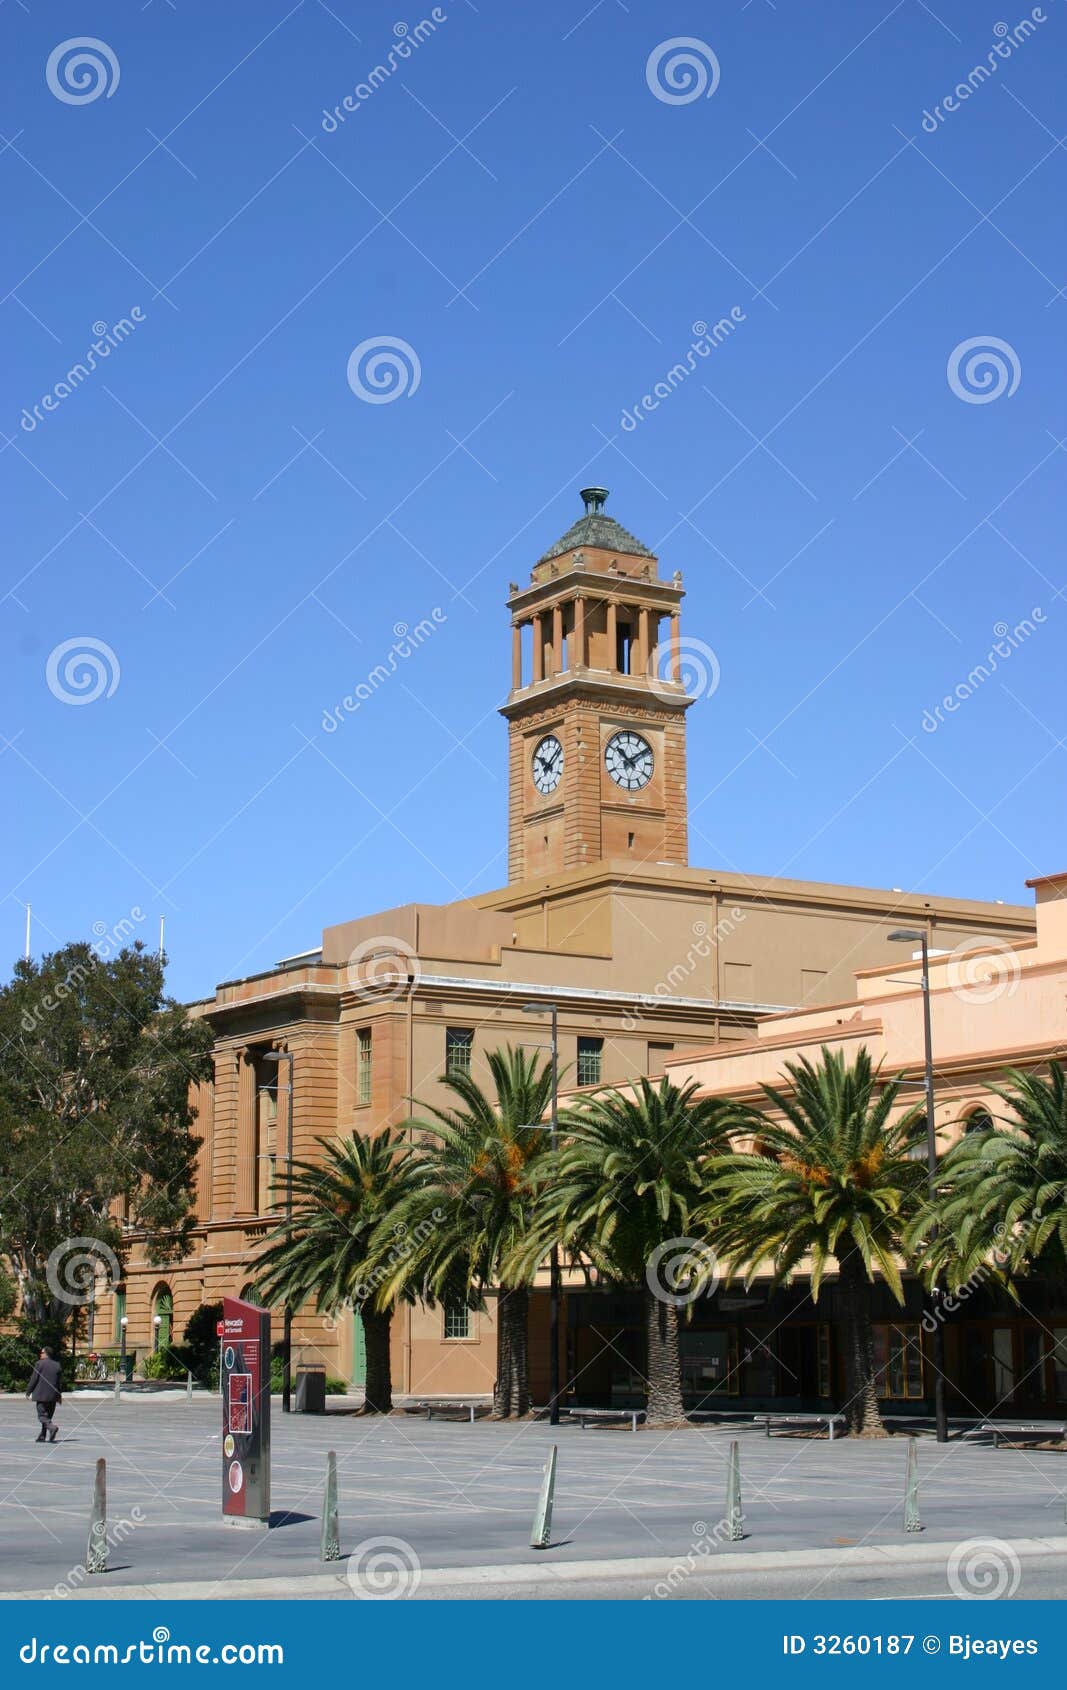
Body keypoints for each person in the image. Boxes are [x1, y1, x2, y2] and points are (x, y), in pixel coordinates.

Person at [26, 1347, 63, 1443]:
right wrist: (59, 1396)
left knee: (42, 1416)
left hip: (41, 1395)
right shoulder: (57, 1365)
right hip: (53, 1396)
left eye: (41, 1353)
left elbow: (34, 1379)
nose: (40, 1354)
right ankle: (43, 1435)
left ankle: (52, 1428)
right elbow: (59, 1383)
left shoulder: (39, 1364)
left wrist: (28, 1391)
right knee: (48, 1417)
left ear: (46, 1353)